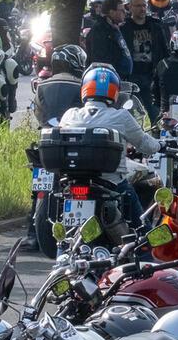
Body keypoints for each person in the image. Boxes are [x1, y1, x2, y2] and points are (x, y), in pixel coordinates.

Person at [58, 66, 158, 226]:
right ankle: (141, 245)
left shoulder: (70, 114)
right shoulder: (121, 116)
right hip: (111, 183)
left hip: (73, 181)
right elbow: (145, 144)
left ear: (85, 88)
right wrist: (159, 145)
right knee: (142, 232)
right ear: (114, 91)